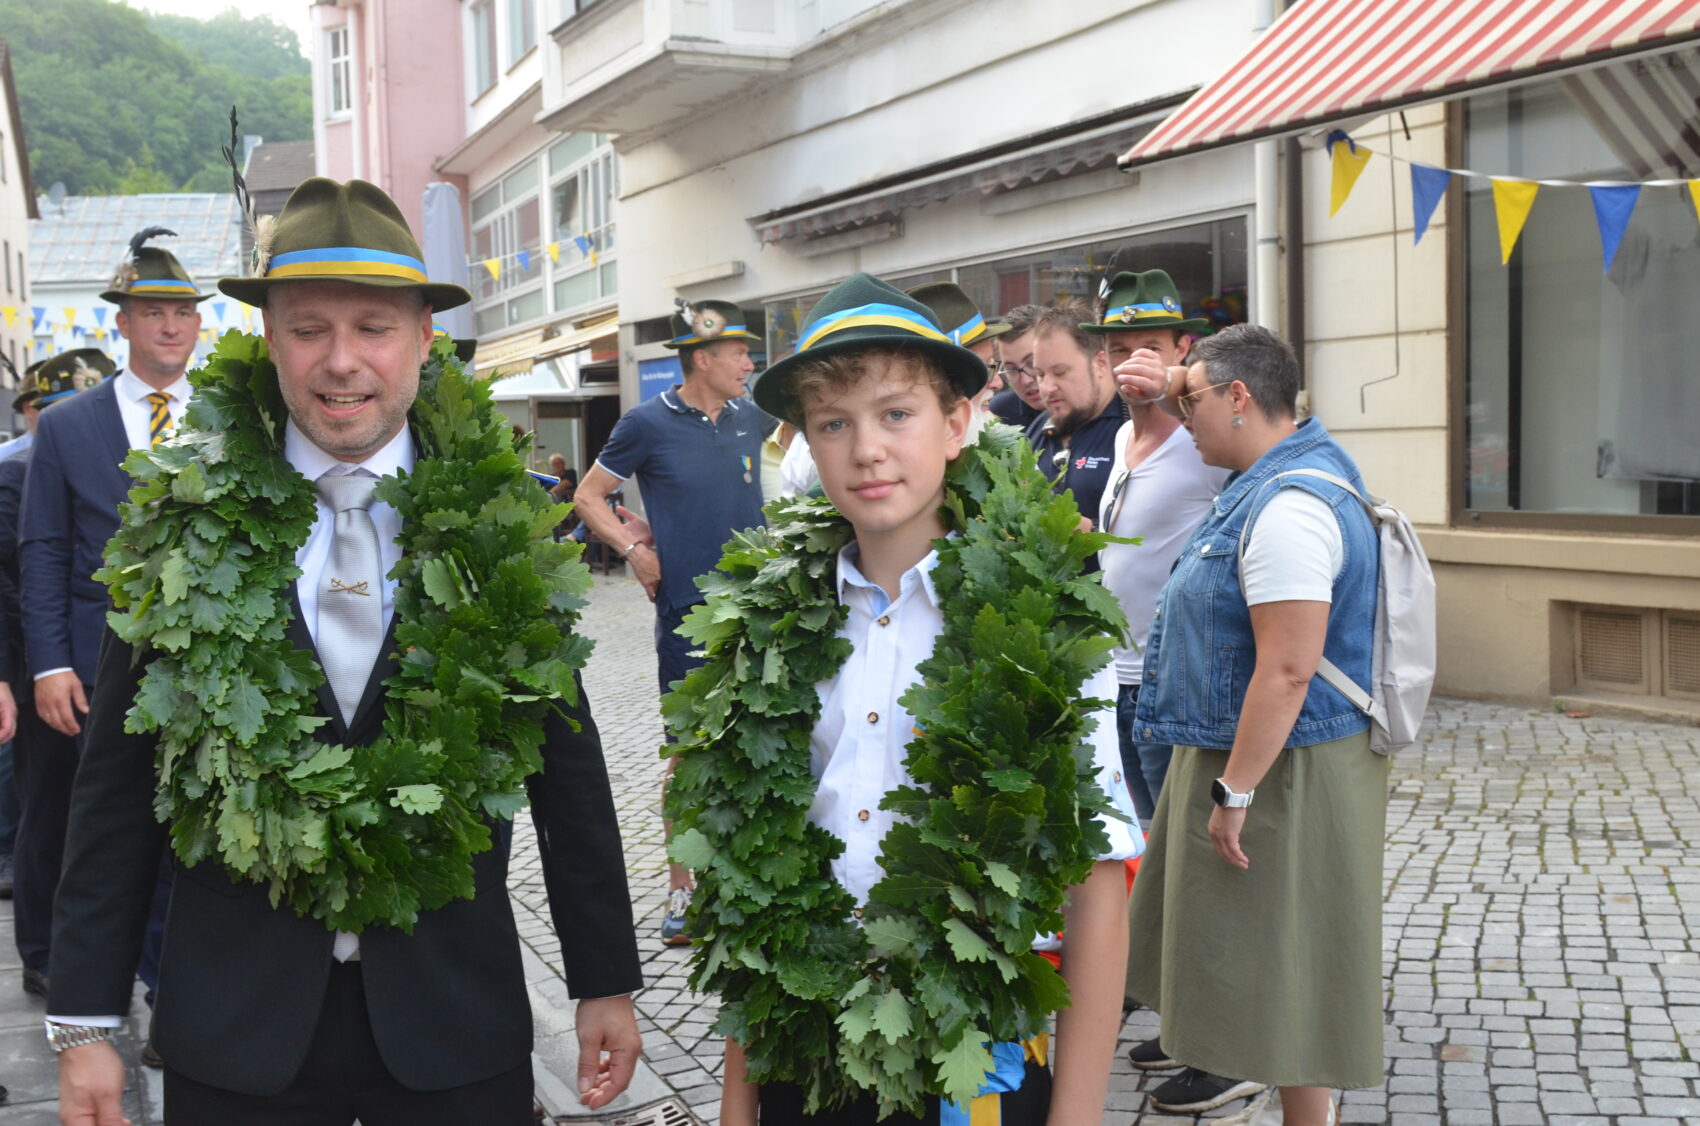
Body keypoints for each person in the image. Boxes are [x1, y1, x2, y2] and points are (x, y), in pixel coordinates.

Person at [46, 177, 642, 1124]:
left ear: (424, 338)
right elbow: (115, 788)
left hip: (454, 1024)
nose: (341, 361)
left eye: (373, 328)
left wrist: (603, 976)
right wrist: (85, 1019)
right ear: (268, 337)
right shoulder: (179, 522)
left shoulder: (501, 523)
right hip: (237, 1035)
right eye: (308, 329)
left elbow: (567, 770)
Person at [709, 273, 1140, 1125]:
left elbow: (1096, 882)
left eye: (896, 413)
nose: (866, 449)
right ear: (808, 443)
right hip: (808, 1044)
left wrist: (1077, 1116)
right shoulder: (772, 628)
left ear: (955, 425)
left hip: (972, 1059)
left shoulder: (1040, 619)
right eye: (835, 423)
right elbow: (754, 875)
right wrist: (736, 1104)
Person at [1123, 324, 1386, 1126]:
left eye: (1193, 400)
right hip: (1266, 755)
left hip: (1278, 767)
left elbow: (1288, 669)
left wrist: (1234, 790)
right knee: (1283, 970)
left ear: (1239, 397)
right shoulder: (1274, 481)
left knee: (1282, 969)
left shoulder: (1289, 507)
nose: (1183, 417)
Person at [570, 297, 771, 945]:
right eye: (739, 353)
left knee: (760, 745)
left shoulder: (755, 418)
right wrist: (636, 551)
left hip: (763, 614)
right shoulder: (646, 423)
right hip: (690, 618)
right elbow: (588, 497)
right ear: (702, 358)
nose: (749, 363)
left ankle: (747, 876)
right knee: (690, 754)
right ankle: (683, 889)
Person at [13, 343, 131, 1003]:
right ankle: (44, 951)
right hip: (42, 669)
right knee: (52, 812)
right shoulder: (12, 473)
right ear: (33, 412)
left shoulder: (114, 455)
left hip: (98, 664)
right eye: (49, 407)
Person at [1086, 270, 1228, 822]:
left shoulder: (1202, 440)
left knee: (1178, 835)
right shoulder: (1123, 435)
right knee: (1138, 837)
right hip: (1116, 676)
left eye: (1150, 348)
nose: (1133, 363)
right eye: (1120, 350)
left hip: (1173, 682)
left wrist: (1176, 387)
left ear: (1182, 350)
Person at [1028, 300, 1128, 551]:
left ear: (1101, 363)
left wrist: (1092, 531)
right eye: (1040, 374)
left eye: (1060, 372)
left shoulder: (1133, 426)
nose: (1047, 388)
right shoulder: (1037, 430)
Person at [987, 303, 1044, 430]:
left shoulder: (1085, 407)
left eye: (1032, 364)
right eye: (1011, 369)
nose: (1025, 381)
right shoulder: (1001, 413)